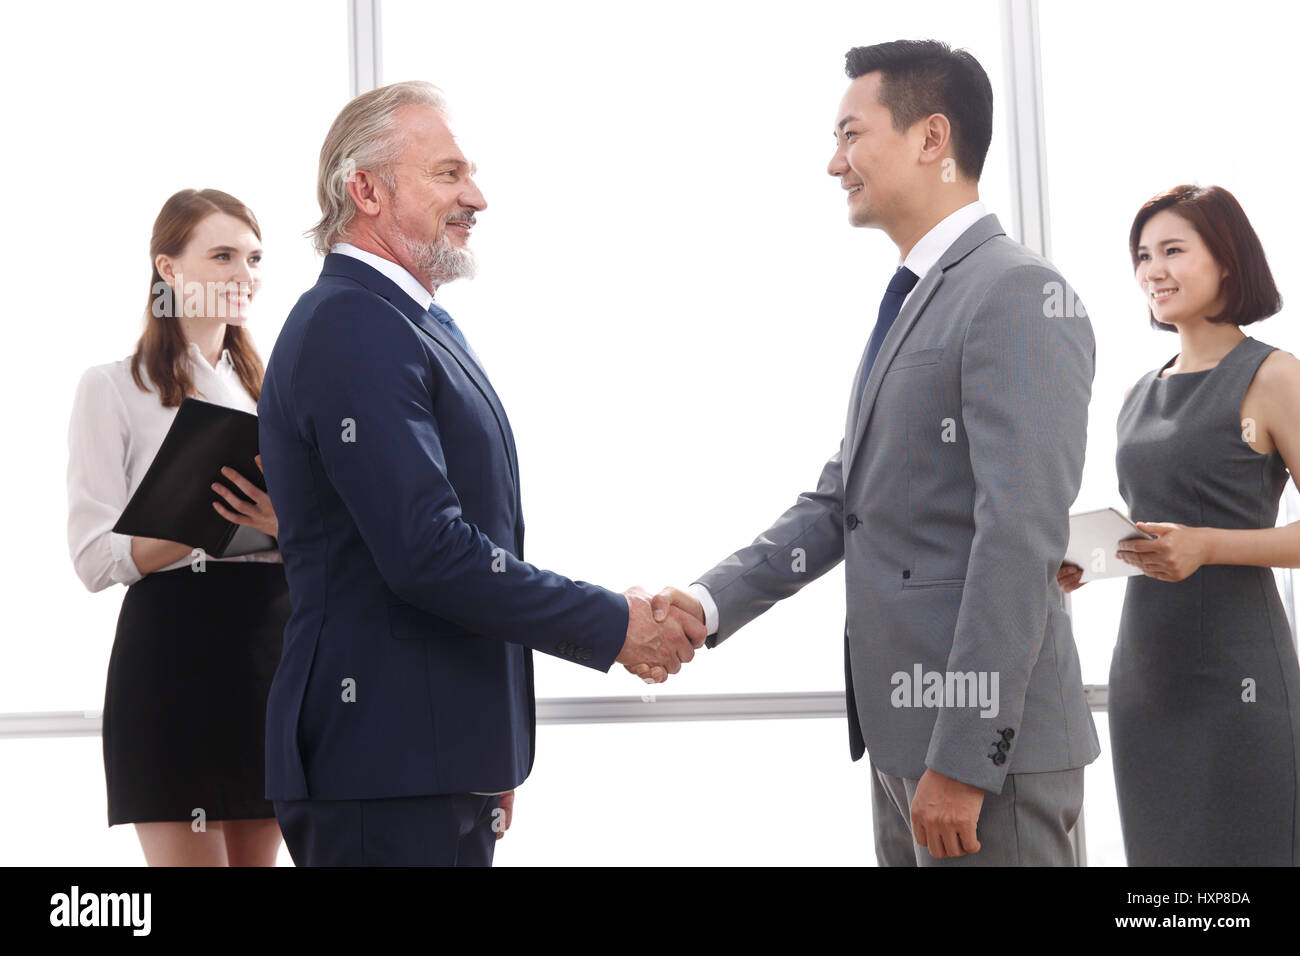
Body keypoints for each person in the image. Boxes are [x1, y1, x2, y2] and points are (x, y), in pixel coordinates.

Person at [646, 39, 1099, 865]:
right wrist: (706, 606)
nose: (834, 163)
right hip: (904, 743)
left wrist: (964, 761)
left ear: (932, 139)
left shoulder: (1018, 292)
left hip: (980, 758)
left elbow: (1019, 537)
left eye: (851, 134)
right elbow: (839, 502)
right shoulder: (922, 297)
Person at [257, 81, 703, 867]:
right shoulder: (351, 325)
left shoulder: (416, 322)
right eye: (448, 174)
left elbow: (477, 538)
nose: (477, 197)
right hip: (381, 766)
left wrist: (480, 743)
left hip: (434, 760)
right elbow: (429, 552)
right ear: (364, 189)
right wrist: (615, 624)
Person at [1059, 184, 1300, 866]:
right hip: (1146, 679)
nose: (1151, 270)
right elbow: (1158, 527)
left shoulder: (1274, 376)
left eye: (1172, 250)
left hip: (1238, 680)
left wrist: (1210, 546)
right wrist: (1094, 556)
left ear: (1227, 259)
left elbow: (1203, 538)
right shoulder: (1141, 390)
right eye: (1141, 255)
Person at [66, 188, 288, 866]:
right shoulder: (113, 387)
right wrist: (198, 523)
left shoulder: (277, 394)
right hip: (174, 650)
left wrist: (285, 525)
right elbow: (93, 558)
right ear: (168, 269)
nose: (243, 276)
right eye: (222, 256)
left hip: (269, 648)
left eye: (253, 259)